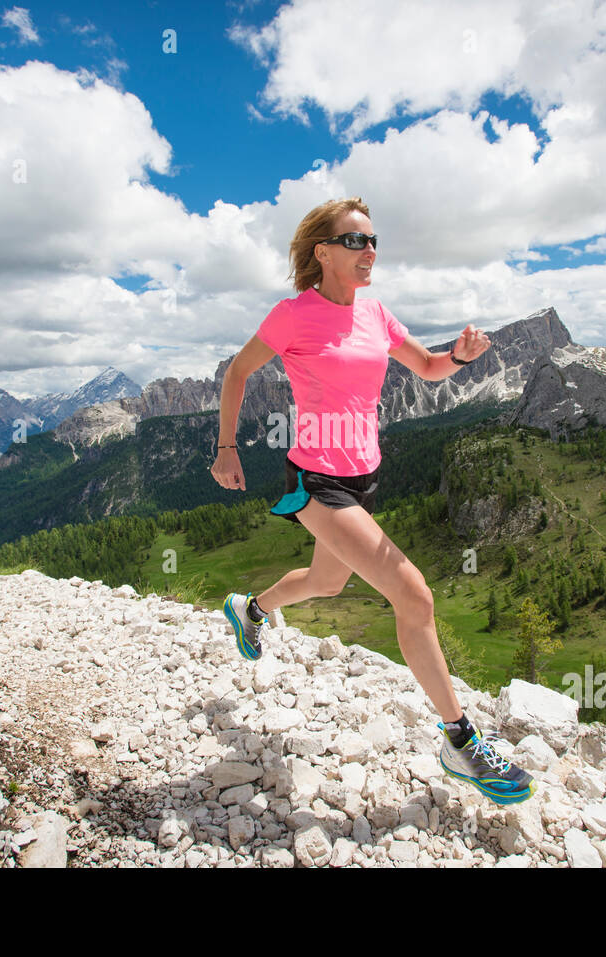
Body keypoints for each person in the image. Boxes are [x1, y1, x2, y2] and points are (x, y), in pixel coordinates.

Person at [210, 197, 533, 806]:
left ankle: (249, 609)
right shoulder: (293, 315)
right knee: (414, 594)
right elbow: (237, 373)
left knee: (328, 583)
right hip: (315, 480)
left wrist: (459, 357)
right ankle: (460, 741)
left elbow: (430, 369)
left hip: (361, 479)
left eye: (373, 241)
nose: (370, 252)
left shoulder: (377, 314)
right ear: (322, 253)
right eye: (355, 241)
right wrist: (227, 448)